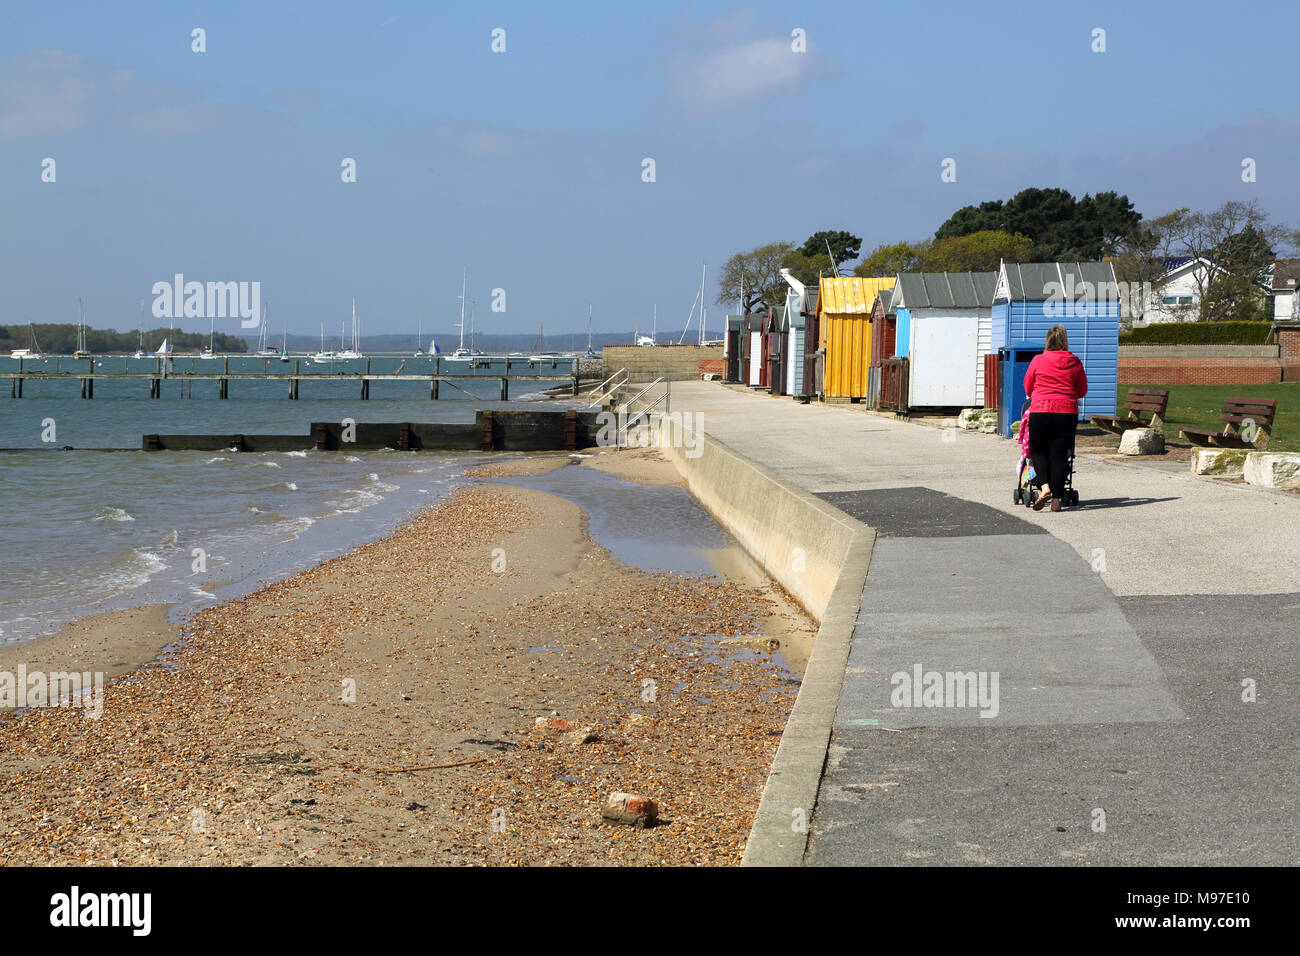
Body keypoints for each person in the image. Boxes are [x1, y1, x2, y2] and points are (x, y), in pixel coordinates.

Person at [1024, 325, 1087, 512]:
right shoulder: (1074, 361)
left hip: (1041, 410)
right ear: (1065, 341)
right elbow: (1082, 390)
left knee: (1038, 451)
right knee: (1059, 455)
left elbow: (1028, 386)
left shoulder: (1038, 360)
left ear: (1047, 341)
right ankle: (1057, 500)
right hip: (1066, 412)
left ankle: (1045, 488)